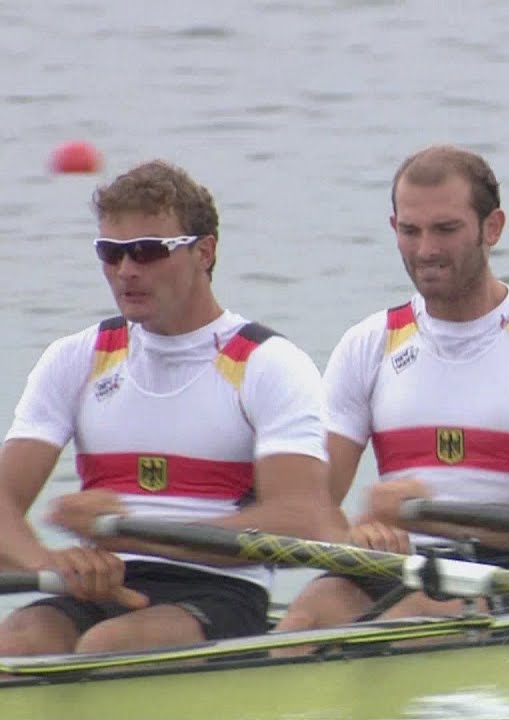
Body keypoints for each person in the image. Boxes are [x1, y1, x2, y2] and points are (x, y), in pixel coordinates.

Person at [0, 160, 339, 655]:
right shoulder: (77, 358)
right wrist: (50, 563)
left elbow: (304, 519)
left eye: (148, 251)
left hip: (219, 587)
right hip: (101, 584)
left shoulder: (267, 364)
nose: (126, 270)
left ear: (205, 252)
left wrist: (128, 536)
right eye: (110, 253)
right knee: (14, 646)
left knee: (107, 647)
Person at [275, 145, 509, 639]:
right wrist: (355, 531)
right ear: (394, 229)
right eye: (410, 231)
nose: (426, 250)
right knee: (302, 621)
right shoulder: (369, 343)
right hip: (396, 567)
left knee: (412, 620)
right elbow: (311, 503)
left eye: (446, 229)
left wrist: (431, 518)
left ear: (491, 228)